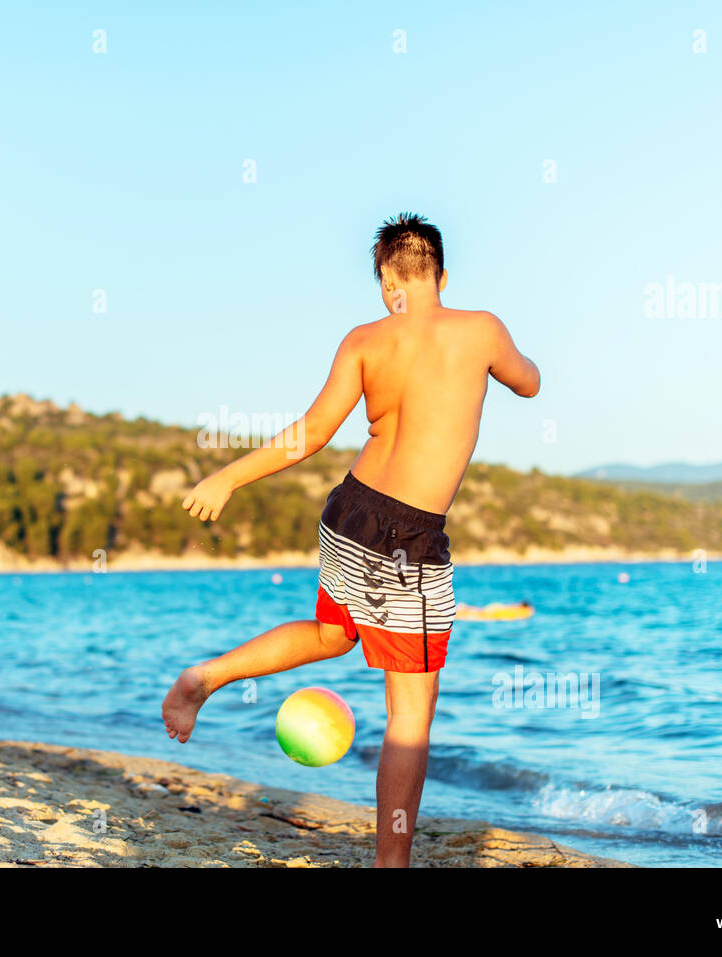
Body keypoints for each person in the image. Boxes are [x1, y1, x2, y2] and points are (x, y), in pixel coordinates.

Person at [161, 212, 540, 866]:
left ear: (388, 279)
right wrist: (505, 361)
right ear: (442, 274)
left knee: (334, 633)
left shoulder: (365, 340)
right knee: (411, 714)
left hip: (350, 511)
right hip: (411, 537)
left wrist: (229, 476)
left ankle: (206, 676)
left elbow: (308, 435)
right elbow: (530, 382)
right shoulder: (481, 329)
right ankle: (391, 865)